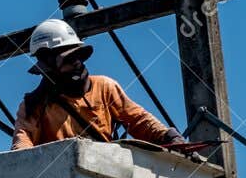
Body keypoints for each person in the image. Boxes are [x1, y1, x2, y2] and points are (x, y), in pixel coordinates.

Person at [9, 18, 185, 151]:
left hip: (104, 176)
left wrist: (168, 136)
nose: (77, 63)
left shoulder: (104, 87)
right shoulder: (34, 105)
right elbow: (22, 149)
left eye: (78, 56)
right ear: (49, 67)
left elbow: (138, 120)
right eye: (69, 59)